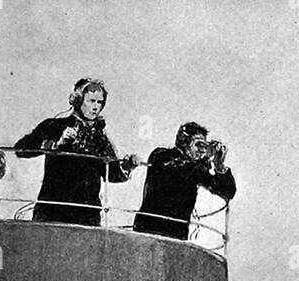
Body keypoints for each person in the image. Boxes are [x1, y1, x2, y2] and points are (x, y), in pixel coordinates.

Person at [15, 77, 138, 226]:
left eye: (99, 102)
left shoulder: (100, 139)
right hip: (52, 212)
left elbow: (112, 174)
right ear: (77, 100)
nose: (96, 107)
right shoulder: (54, 126)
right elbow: (21, 149)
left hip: (87, 216)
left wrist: (128, 166)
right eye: (91, 101)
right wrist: (56, 144)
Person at [132, 122, 237, 240]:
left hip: (177, 237)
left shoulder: (196, 168)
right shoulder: (161, 156)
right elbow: (181, 170)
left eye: (205, 147)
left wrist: (220, 165)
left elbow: (228, 191)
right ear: (184, 142)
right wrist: (207, 159)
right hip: (148, 232)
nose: (202, 151)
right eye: (199, 145)